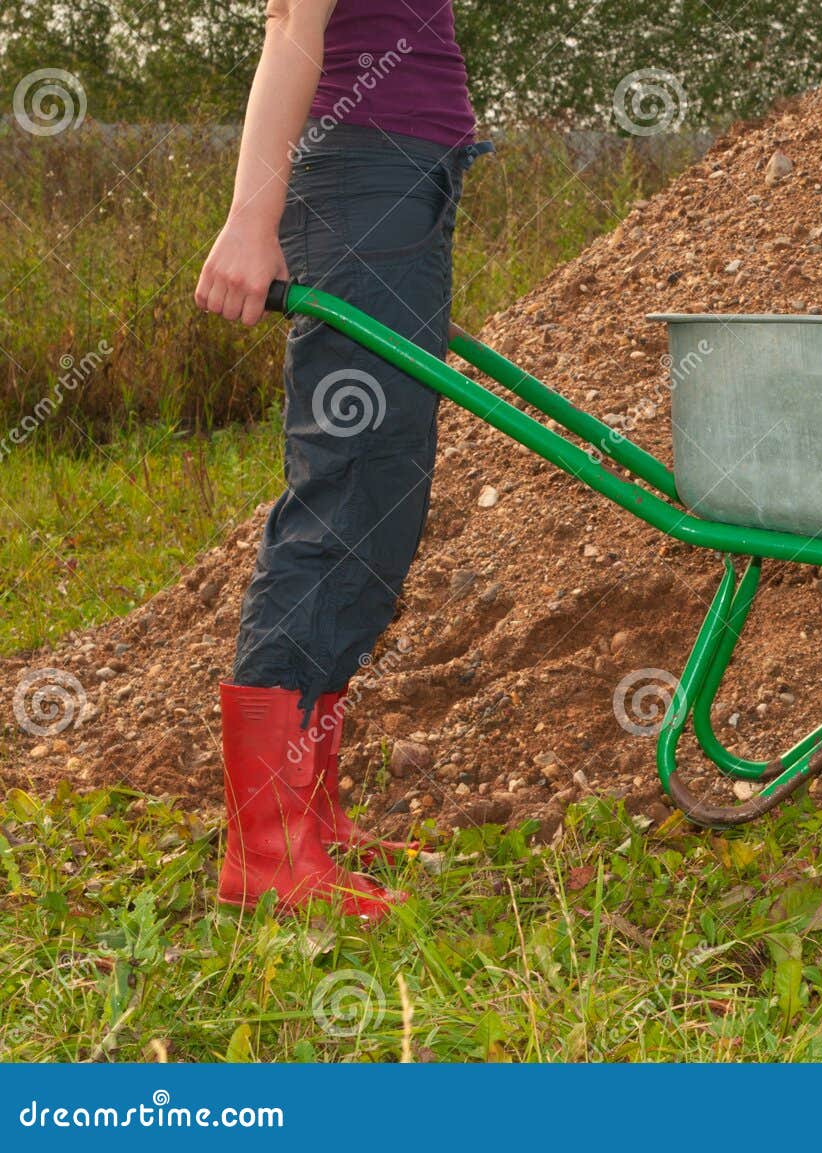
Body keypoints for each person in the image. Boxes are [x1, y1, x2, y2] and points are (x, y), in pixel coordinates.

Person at [195, 0, 489, 920]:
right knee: (349, 488)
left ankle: (307, 810)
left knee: (383, 496)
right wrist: (252, 217)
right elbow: (291, 26)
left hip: (399, 175)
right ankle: (266, 847)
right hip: (364, 174)